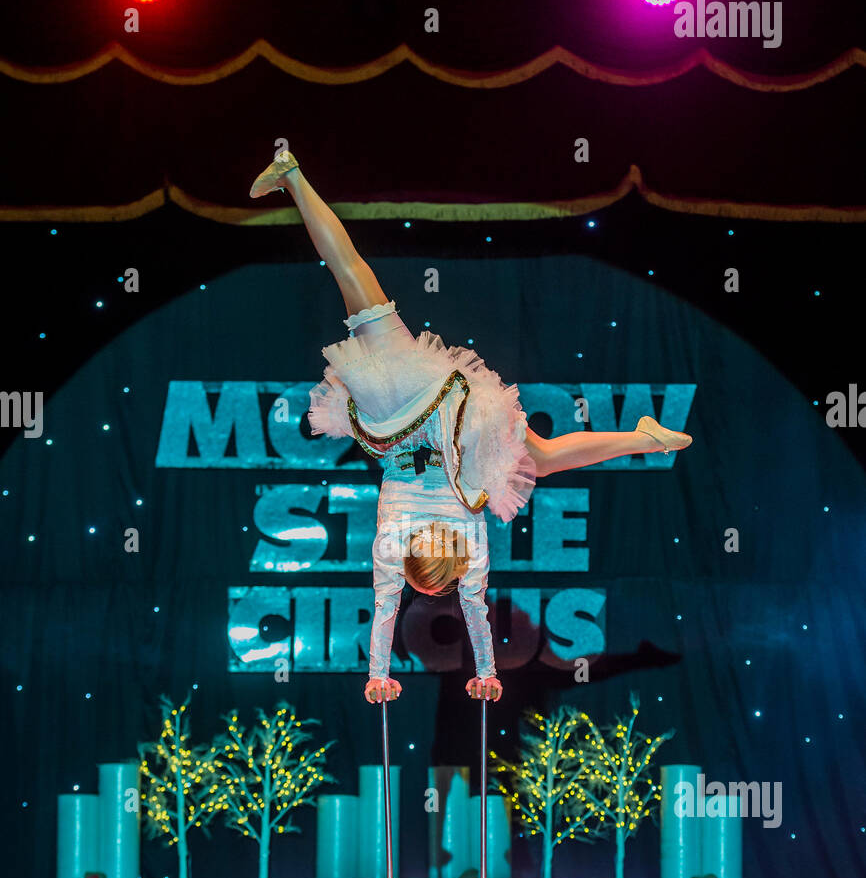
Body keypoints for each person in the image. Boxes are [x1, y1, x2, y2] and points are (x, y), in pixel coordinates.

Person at [250, 148, 692, 705]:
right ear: (420, 564)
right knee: (351, 275)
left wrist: (484, 673)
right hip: (410, 409)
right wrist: (380, 674)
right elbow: (391, 610)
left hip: (447, 424)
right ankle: (292, 174)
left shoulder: (469, 548)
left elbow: (473, 612)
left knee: (547, 457)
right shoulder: (395, 546)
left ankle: (644, 438)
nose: (428, 593)